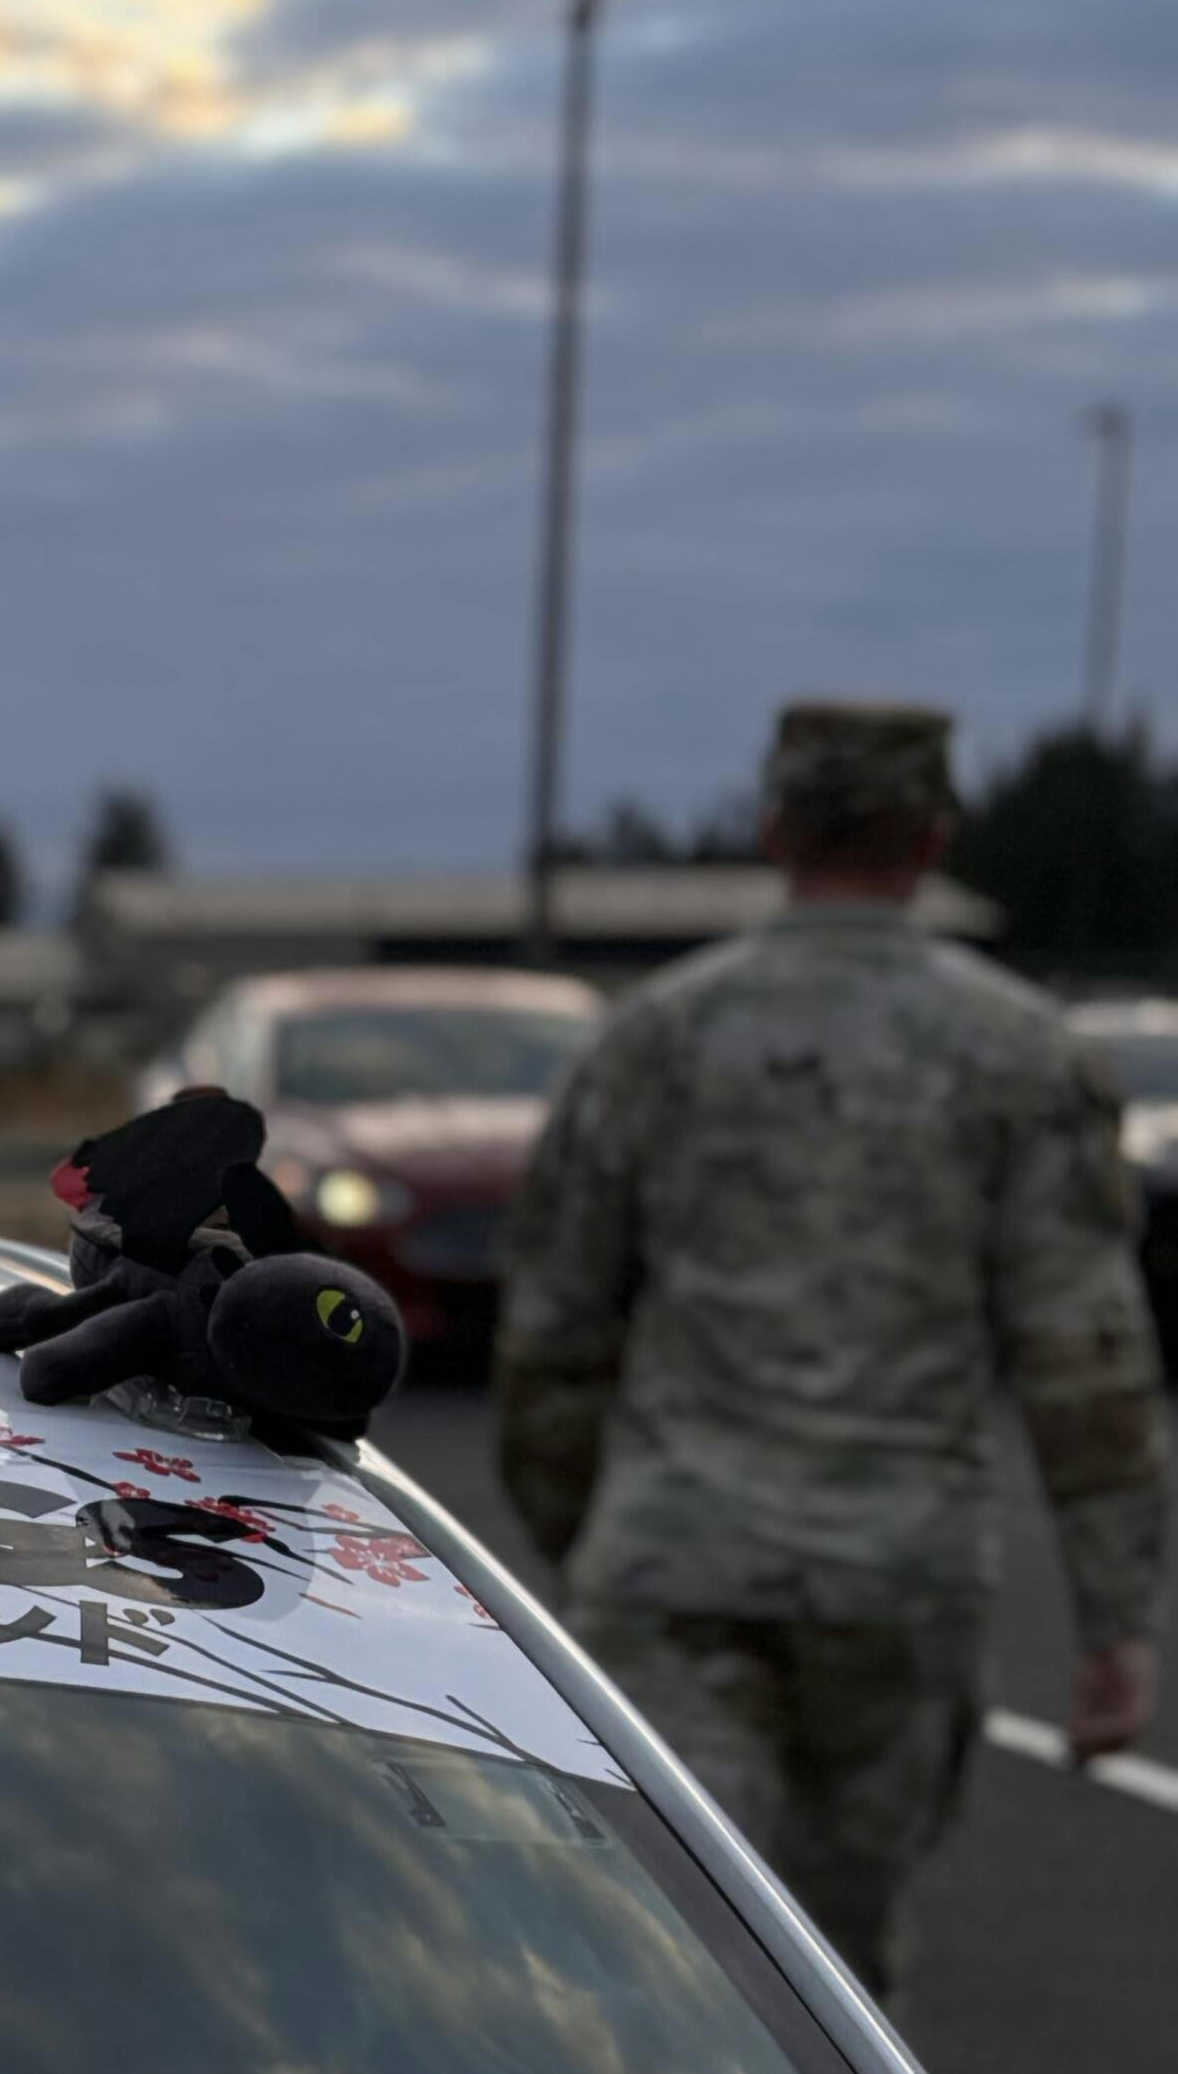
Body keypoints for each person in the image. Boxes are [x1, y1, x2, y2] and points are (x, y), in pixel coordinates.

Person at [494, 694, 1166, 2006]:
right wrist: (1115, 1616)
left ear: (772, 825)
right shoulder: (1023, 1055)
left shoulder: (651, 1040)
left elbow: (552, 1338)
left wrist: (589, 1541)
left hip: (675, 1565)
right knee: (834, 1988)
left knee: (656, 1956)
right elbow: (1083, 1351)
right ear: (931, 839)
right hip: (897, 1583)